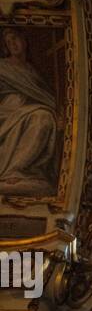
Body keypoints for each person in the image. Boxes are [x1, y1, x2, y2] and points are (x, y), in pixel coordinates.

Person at [0, 27, 57, 195]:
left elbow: (44, 95)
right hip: (6, 110)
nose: (13, 45)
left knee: (44, 117)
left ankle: (20, 168)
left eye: (15, 39)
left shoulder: (32, 70)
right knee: (41, 115)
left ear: (24, 41)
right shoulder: (2, 67)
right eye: (9, 42)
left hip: (29, 110)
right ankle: (12, 170)